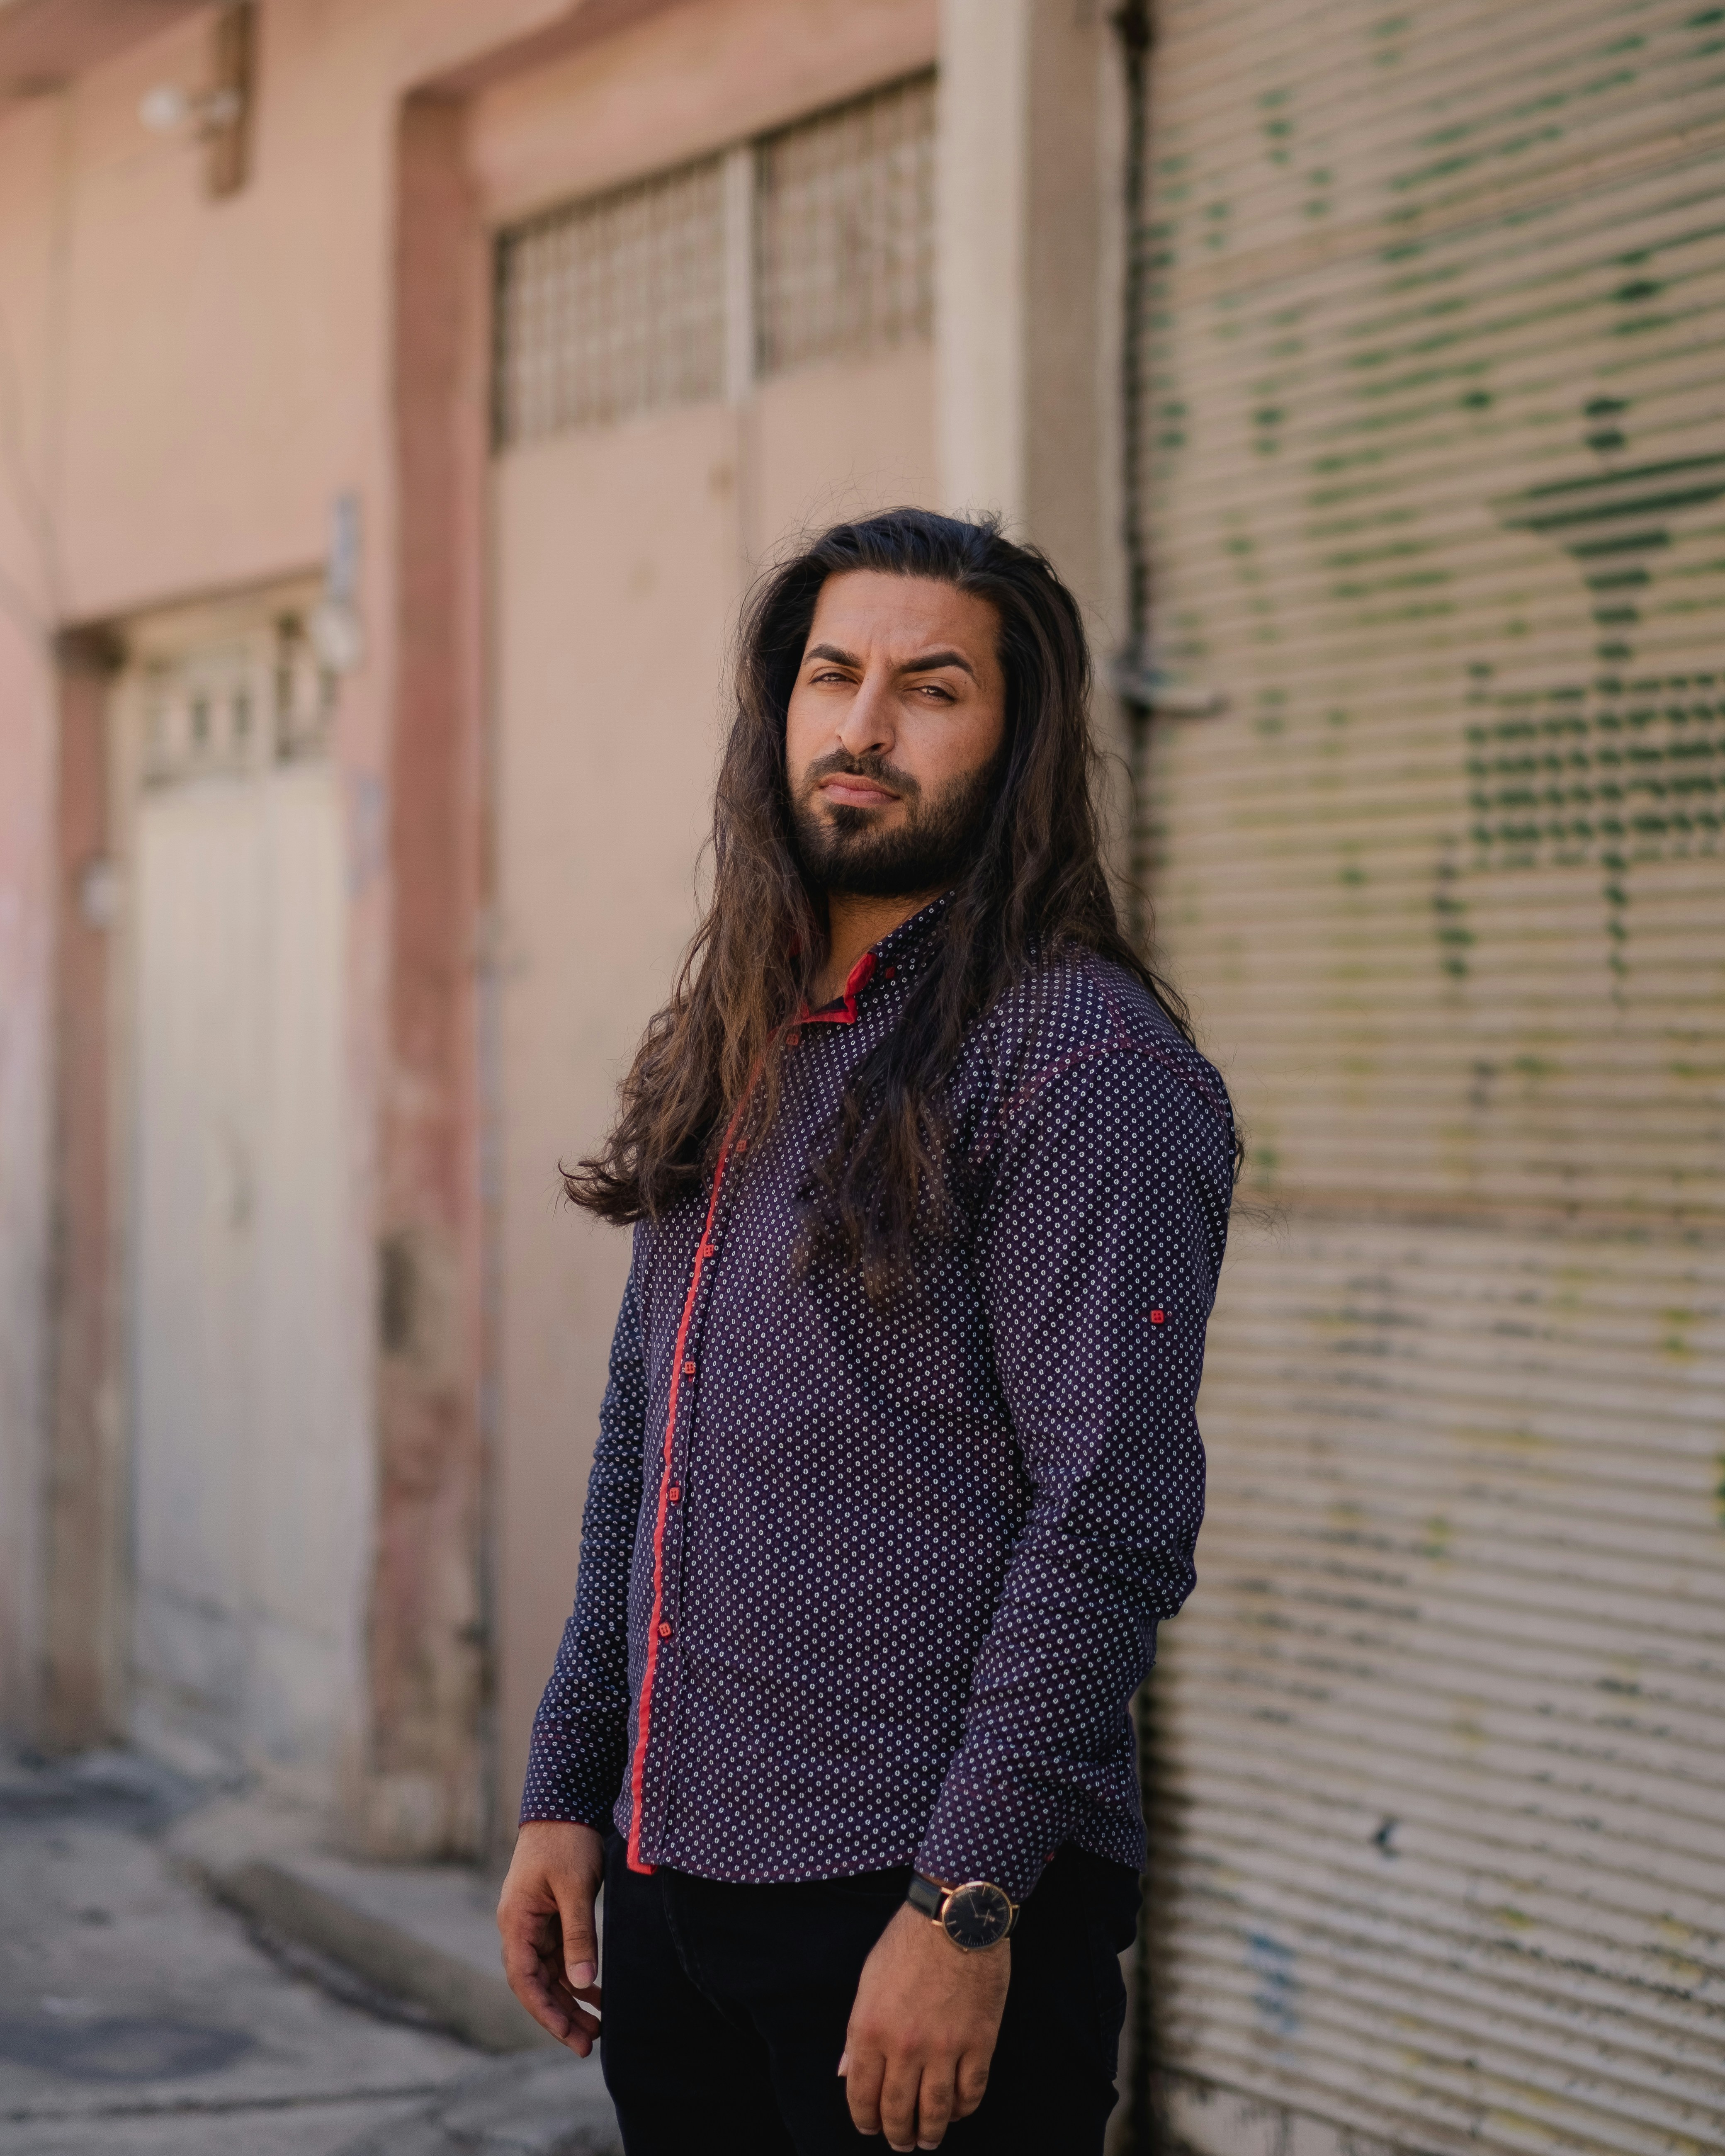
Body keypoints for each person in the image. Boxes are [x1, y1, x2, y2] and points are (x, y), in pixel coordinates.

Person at [496, 509, 1236, 2154]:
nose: (861, 727)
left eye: (930, 688)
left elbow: (1108, 1516)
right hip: (680, 1877)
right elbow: (644, 1434)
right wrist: (569, 1788)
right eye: (831, 675)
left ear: (1018, 740)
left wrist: (957, 1908)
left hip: (917, 1895)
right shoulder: (740, 1026)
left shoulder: (1074, 1062)